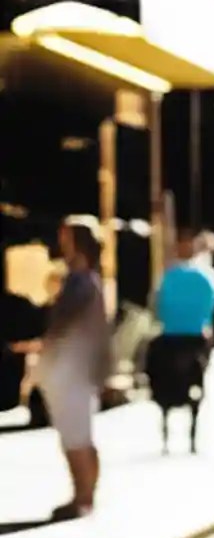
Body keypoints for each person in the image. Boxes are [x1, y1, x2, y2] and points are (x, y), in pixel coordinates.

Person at [36, 219, 111, 520]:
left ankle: (82, 498)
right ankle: (85, 496)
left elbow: (63, 326)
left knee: (74, 436)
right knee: (80, 435)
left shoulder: (79, 282)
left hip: (72, 368)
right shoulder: (88, 280)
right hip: (80, 367)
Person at [149, 228, 214, 453]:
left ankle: (160, 404)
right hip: (196, 337)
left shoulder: (168, 276)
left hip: (171, 336)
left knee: (154, 364)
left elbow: (157, 306)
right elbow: (213, 306)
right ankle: (193, 419)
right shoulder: (209, 276)